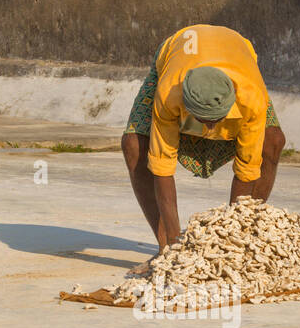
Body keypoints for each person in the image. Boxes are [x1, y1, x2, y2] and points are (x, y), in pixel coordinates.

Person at [120, 24, 286, 269]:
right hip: (175, 55)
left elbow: (247, 170)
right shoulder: (169, 93)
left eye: (216, 120)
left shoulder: (251, 98)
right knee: (134, 144)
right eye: (202, 120)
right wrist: (175, 247)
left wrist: (230, 240)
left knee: (272, 140)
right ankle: (165, 247)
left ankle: (244, 237)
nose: (209, 129)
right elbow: (162, 166)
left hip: (238, 57)